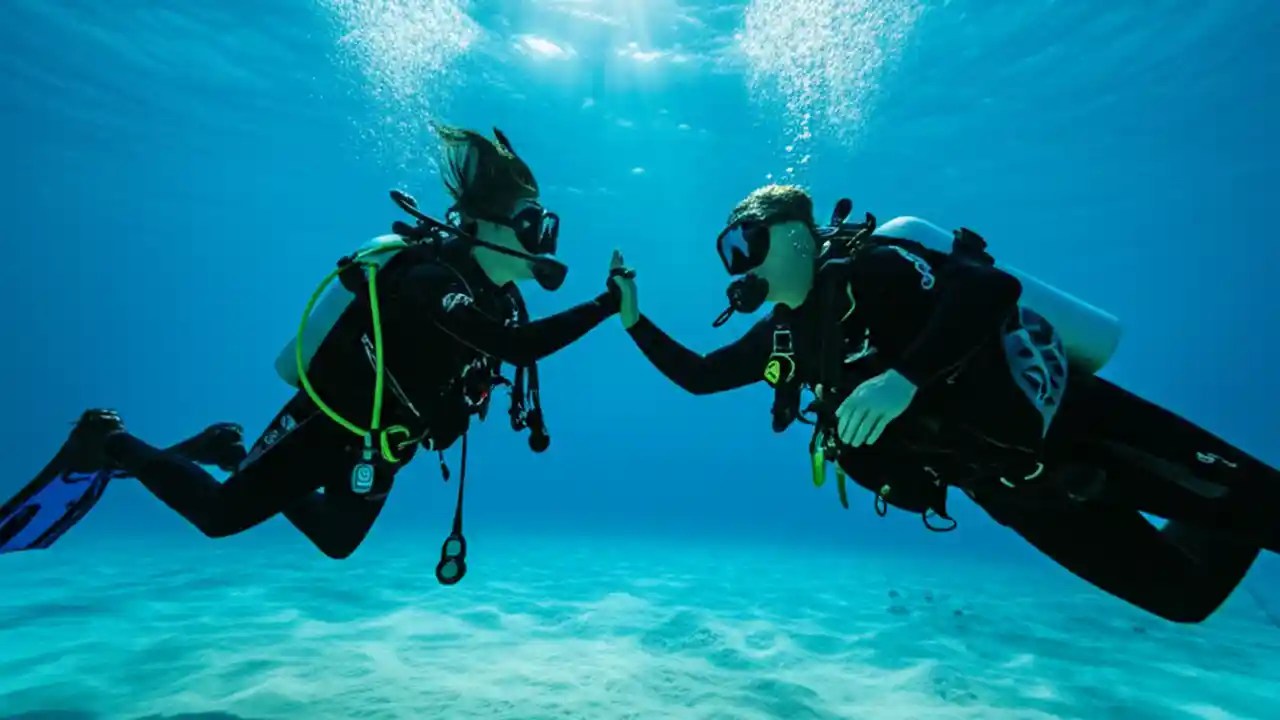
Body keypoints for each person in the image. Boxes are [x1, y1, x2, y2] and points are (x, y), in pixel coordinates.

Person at [609, 183, 1279, 623]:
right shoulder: (782, 338)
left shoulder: (873, 267)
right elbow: (700, 376)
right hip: (1016, 495)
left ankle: (1238, 500)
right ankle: (1228, 506)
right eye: (727, 252)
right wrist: (632, 318)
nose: (738, 263)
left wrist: (903, 378)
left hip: (1076, 427)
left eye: (745, 242)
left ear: (795, 235)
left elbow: (990, 289)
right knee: (1184, 596)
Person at [2, 126, 631, 584]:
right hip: (329, 421)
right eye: (531, 222)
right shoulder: (431, 280)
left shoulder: (501, 302)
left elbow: (503, 353)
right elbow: (517, 350)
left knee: (335, 539)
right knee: (220, 516)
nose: (543, 239)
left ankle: (230, 451)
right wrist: (608, 304)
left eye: (546, 225)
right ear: (484, 223)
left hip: (381, 443)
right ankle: (106, 441)